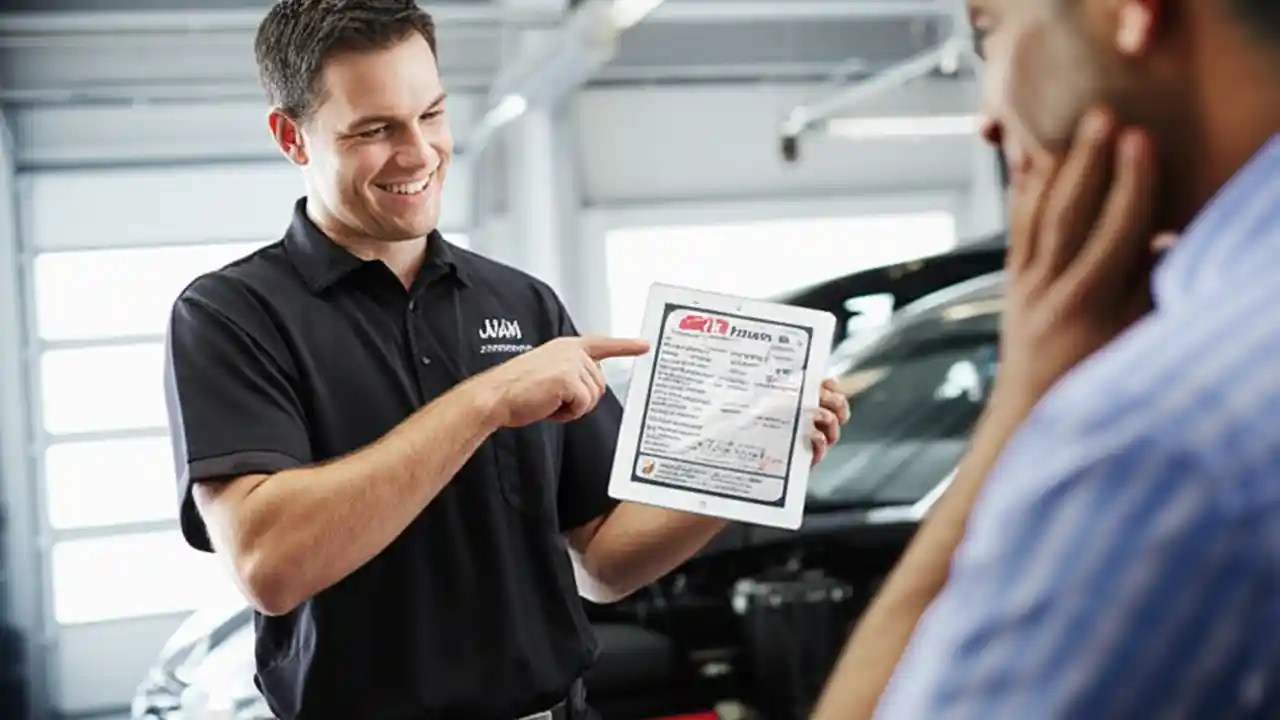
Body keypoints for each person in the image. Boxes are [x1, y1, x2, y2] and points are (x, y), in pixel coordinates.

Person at [162, 1, 850, 718]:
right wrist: (484, 401)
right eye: (375, 130)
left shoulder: (522, 303)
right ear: (291, 137)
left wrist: (751, 458)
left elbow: (606, 563)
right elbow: (270, 567)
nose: (420, 154)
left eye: (431, 114)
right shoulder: (229, 317)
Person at [811, 0, 1280, 717]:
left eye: (989, 30)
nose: (989, 119)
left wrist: (1021, 411)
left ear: (1129, 12)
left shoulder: (1154, 436)